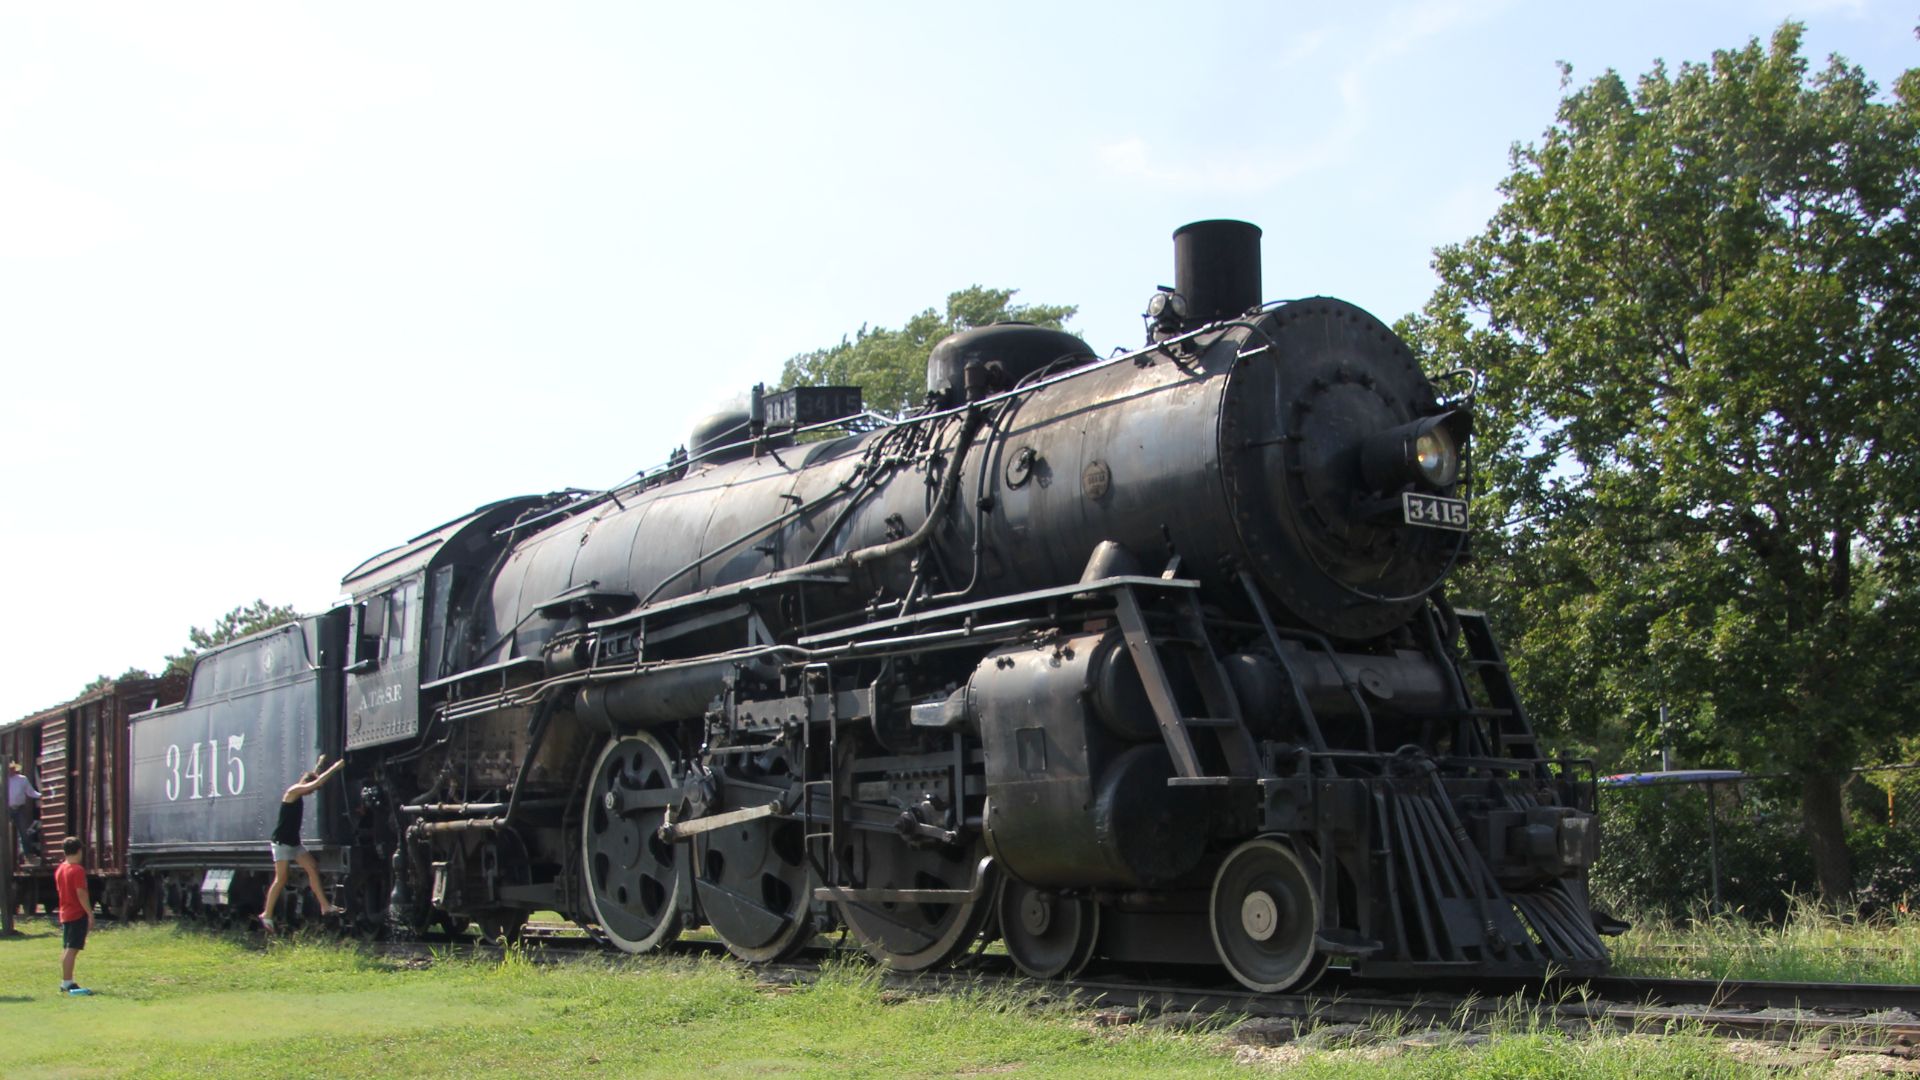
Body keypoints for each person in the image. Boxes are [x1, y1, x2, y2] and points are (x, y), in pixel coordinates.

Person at [259, 754, 346, 932]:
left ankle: (324, 906)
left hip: (293, 842)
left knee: (312, 866)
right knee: (281, 878)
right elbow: (316, 783)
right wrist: (335, 768)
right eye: (309, 790)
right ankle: (266, 914)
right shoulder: (293, 791)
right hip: (282, 843)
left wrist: (320, 764)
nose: (311, 793)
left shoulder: (301, 788)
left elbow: (313, 778)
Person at [55, 836, 93, 995]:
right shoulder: (77, 869)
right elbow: (81, 893)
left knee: (67, 948)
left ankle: (66, 981)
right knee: (72, 948)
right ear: (79, 851)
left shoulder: (61, 868)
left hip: (65, 911)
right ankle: (67, 982)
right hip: (76, 913)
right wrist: (90, 913)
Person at [8, 761, 40, 863]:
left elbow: (30, 792)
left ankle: (28, 855)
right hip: (6, 809)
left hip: (19, 808)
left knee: (23, 832)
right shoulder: (3, 779)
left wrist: (41, 795)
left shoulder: (22, 779)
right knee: (4, 833)